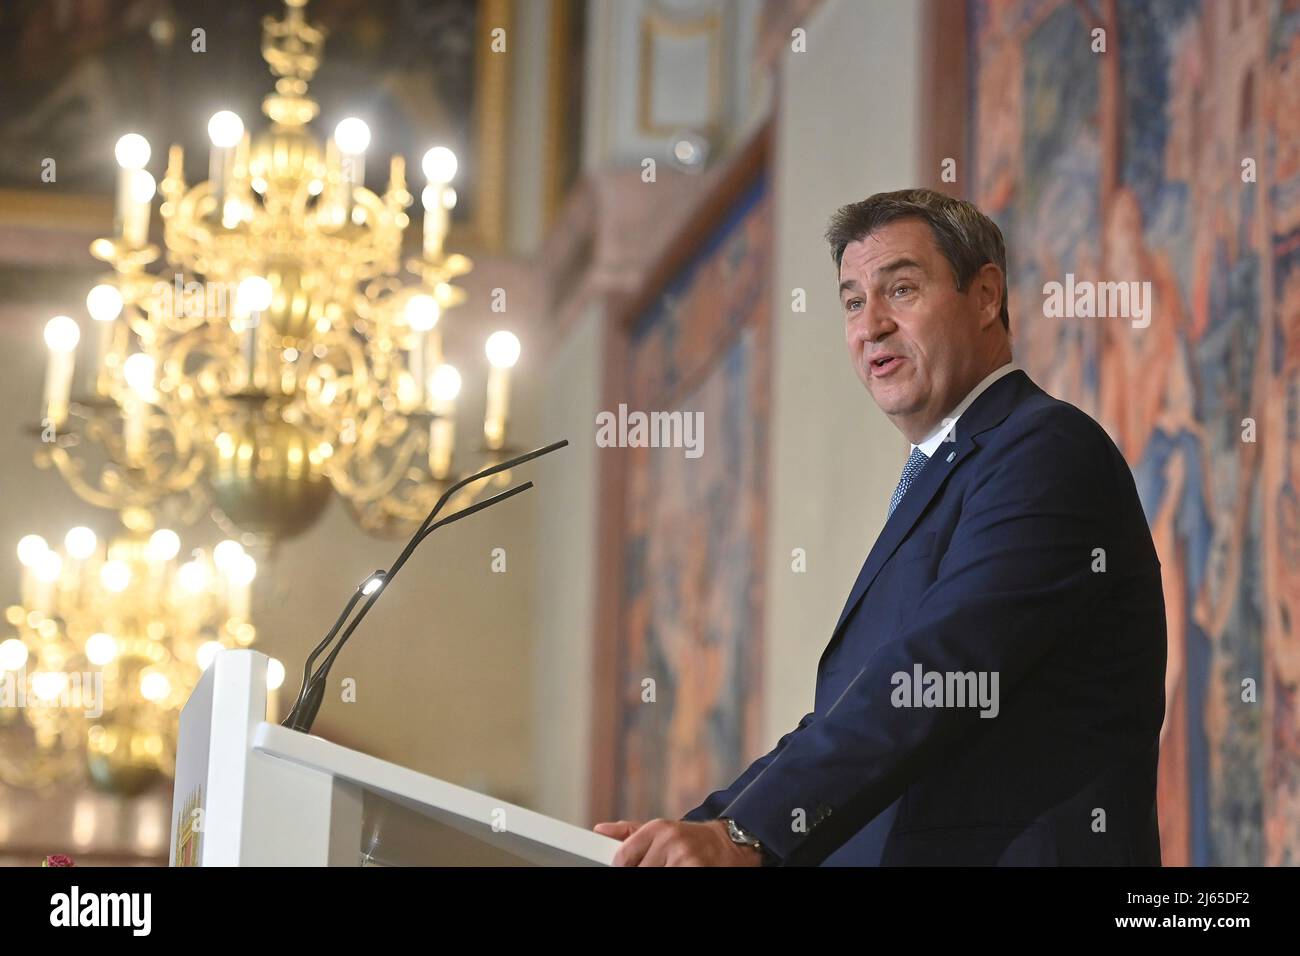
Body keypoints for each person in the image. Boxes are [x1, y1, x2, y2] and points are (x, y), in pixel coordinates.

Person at [595, 188, 1167, 866]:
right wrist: (693, 831)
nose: (871, 326)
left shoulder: (1045, 451)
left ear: (985, 296)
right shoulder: (948, 472)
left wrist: (743, 838)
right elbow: (848, 710)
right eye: (852, 301)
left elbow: (934, 672)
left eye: (900, 289)